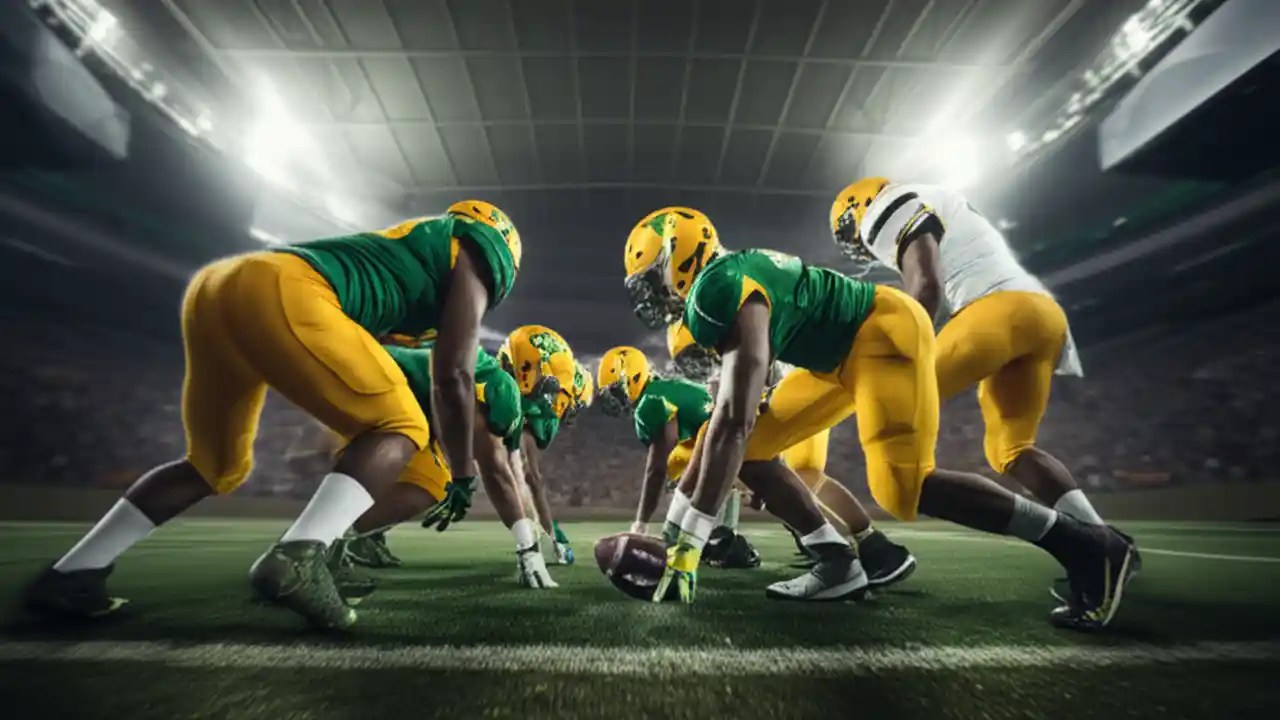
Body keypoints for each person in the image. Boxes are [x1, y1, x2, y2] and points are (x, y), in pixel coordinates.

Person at [628, 207, 1138, 630]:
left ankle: (1089, 546)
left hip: (879, 330)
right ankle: (835, 561)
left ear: (684, 254)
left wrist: (688, 543)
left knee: (902, 487)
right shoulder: (728, 276)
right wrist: (677, 523)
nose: (651, 294)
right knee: (756, 447)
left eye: (653, 277)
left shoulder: (717, 288)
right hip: (834, 357)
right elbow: (730, 428)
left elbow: (731, 423)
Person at [25, 202, 521, 630]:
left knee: (214, 466)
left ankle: (75, 573)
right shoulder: (471, 253)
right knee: (401, 424)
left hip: (219, 288)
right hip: (288, 288)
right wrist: (459, 472)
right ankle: (299, 558)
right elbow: (452, 371)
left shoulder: (408, 258)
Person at [340, 340, 558, 589]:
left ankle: (348, 536)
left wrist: (528, 544)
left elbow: (499, 471)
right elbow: (495, 470)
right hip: (368, 374)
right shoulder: (485, 387)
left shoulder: (493, 395)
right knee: (405, 441)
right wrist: (528, 547)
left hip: (386, 381)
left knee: (431, 481)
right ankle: (322, 543)